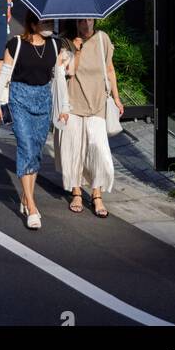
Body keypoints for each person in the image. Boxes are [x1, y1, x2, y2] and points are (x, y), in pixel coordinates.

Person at [0, 11, 60, 229]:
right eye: (46, 21)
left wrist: (64, 107)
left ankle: (25, 195)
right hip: (19, 98)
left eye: (51, 21)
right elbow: (4, 75)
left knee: (36, 150)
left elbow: (60, 79)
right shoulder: (16, 44)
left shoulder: (56, 46)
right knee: (25, 147)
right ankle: (31, 205)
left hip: (43, 100)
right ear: (33, 22)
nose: (50, 25)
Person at [55, 17, 123, 216]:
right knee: (73, 150)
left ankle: (97, 194)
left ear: (95, 21)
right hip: (73, 104)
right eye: (82, 21)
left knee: (99, 150)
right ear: (76, 22)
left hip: (97, 103)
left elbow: (110, 70)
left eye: (89, 20)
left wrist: (117, 98)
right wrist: (74, 51)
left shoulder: (103, 39)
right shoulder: (66, 42)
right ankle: (76, 192)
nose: (86, 24)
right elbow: (67, 72)